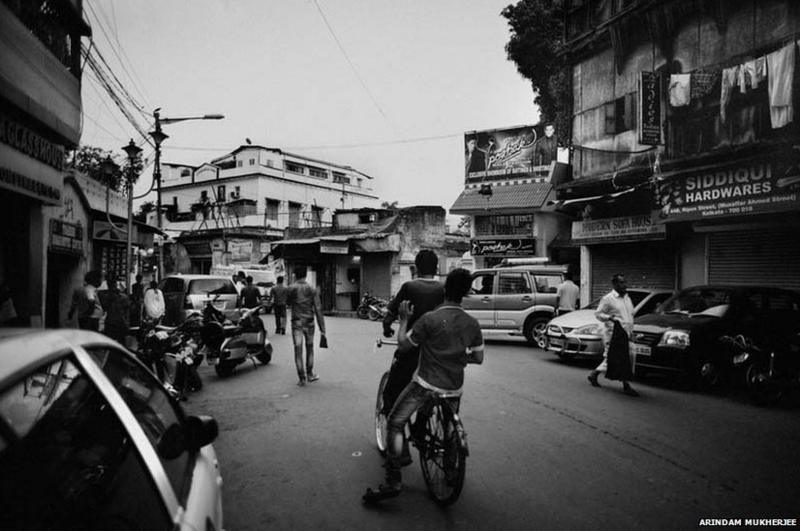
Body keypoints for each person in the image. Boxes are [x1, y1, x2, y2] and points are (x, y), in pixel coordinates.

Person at [363, 268, 484, 503]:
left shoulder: (429, 320)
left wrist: (405, 320)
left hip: (425, 384)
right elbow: (478, 358)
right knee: (449, 428)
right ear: (466, 293)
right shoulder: (472, 323)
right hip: (453, 388)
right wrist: (457, 357)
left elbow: (402, 347)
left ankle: (393, 480)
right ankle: (450, 471)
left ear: (445, 290)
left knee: (396, 423)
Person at [381, 250, 445, 418]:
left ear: (416, 267)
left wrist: (387, 328)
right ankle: (422, 424)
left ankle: (391, 420)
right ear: (436, 267)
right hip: (438, 349)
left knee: (392, 388)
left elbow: (390, 315)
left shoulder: (410, 287)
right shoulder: (443, 288)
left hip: (412, 346)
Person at [587, 274, 639, 397]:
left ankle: (594, 374)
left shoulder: (627, 298)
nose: (624, 285)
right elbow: (598, 314)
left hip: (626, 333)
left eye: (625, 282)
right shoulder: (608, 299)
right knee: (615, 356)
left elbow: (630, 316)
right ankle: (626, 384)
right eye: (621, 283)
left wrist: (632, 332)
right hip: (613, 333)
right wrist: (609, 317)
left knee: (630, 354)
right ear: (615, 285)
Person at [287, 266, 326, 386]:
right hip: (309, 322)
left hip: (297, 322)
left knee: (298, 350)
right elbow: (318, 309)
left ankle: (302, 378)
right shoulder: (311, 289)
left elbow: (288, 303)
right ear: (305, 275)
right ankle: (310, 374)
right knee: (310, 348)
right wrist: (322, 329)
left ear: (295, 275)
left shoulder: (291, 288)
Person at [104, 278, 130, 344]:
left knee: (116, 341)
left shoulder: (107, 296)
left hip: (115, 321)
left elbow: (126, 310)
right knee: (120, 341)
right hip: (116, 321)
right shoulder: (109, 297)